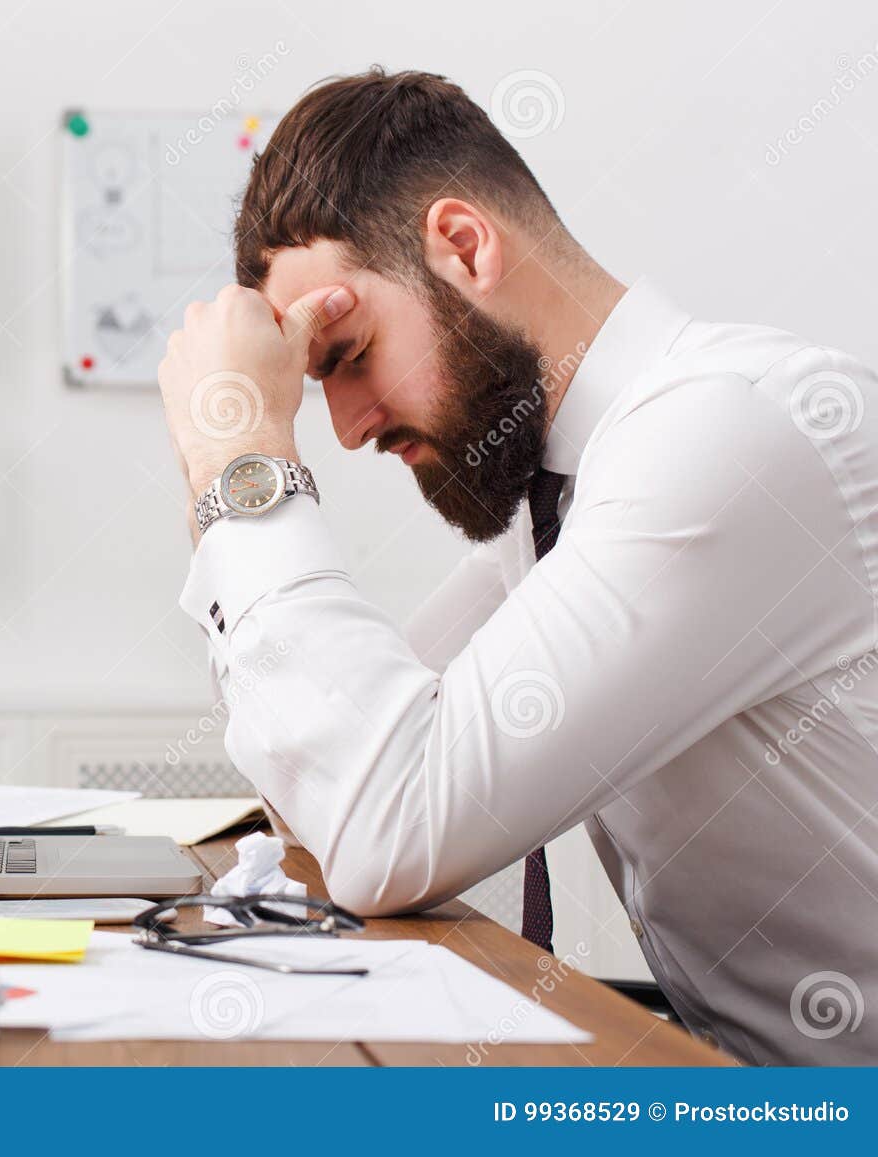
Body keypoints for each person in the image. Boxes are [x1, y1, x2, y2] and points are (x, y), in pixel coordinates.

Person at [156, 67, 878, 1066]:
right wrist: (219, 470)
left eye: (349, 351)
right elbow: (320, 789)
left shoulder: (726, 436)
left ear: (461, 245)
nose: (349, 424)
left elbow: (385, 825)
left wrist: (238, 451)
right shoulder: (554, 494)